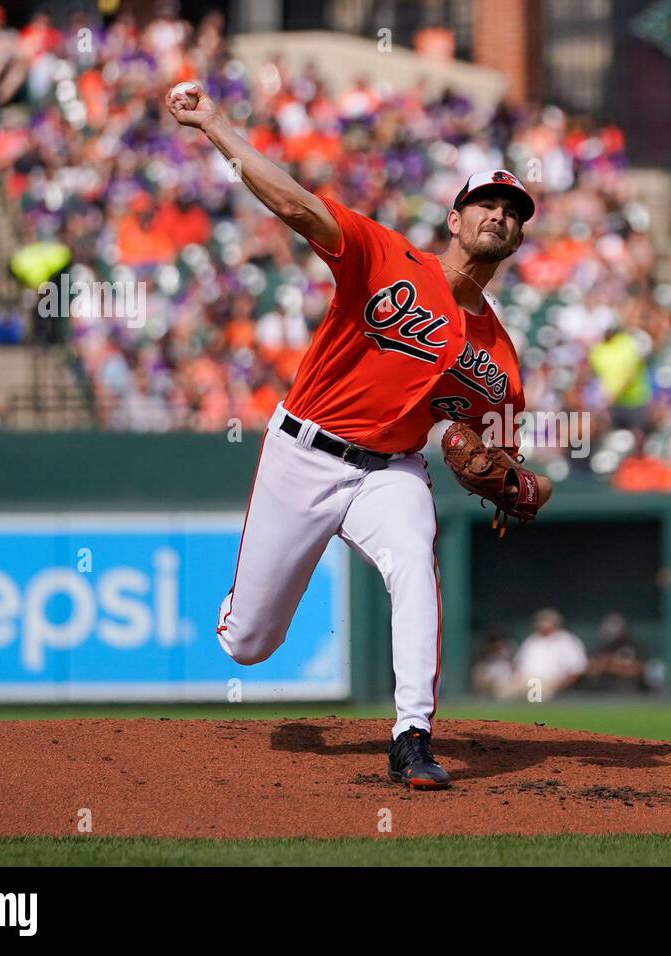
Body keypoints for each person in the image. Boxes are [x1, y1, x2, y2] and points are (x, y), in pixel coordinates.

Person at [168, 81, 552, 790]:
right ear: (455, 217)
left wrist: (509, 482)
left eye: (512, 212)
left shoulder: (498, 359)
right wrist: (216, 123)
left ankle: (411, 735)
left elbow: (498, 454)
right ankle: (241, 606)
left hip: (392, 470)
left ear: (519, 237)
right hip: (304, 449)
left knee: (414, 557)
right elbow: (294, 203)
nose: (499, 216)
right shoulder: (384, 256)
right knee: (249, 644)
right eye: (485, 204)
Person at [507, 608, 587, 699]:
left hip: (550, 683)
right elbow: (517, 664)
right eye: (540, 621)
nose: (542, 624)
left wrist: (559, 686)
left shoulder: (567, 641)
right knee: (504, 693)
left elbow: (576, 669)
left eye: (546, 621)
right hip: (524, 681)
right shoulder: (531, 640)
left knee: (534, 696)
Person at [582, 612, 648, 693]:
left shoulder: (633, 646)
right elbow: (589, 668)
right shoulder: (602, 647)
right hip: (602, 692)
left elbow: (641, 669)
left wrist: (613, 665)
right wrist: (604, 665)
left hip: (629, 691)